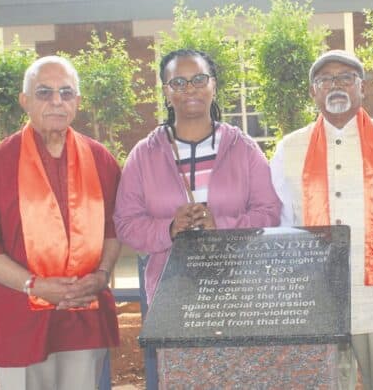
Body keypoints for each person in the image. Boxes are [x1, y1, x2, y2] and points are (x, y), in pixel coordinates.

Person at [270, 49, 373, 389]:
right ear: (313, 92)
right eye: (325, 79)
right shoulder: (289, 148)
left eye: (346, 77)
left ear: (362, 88)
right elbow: (283, 229)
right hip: (319, 300)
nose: (336, 85)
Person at [0, 55, 121, 389]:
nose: (56, 101)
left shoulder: (100, 159)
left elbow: (113, 229)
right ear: (24, 101)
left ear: (77, 102)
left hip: (83, 314)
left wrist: (102, 275)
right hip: (21, 317)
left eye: (66, 93)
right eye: (44, 92)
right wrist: (35, 286)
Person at [114, 49, 281, 303]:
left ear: (213, 85)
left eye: (199, 79)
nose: (190, 89)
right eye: (178, 82)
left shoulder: (243, 148)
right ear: (166, 92)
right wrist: (169, 229)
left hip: (240, 290)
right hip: (171, 294)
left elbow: (270, 213)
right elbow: (126, 224)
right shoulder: (144, 155)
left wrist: (221, 226)